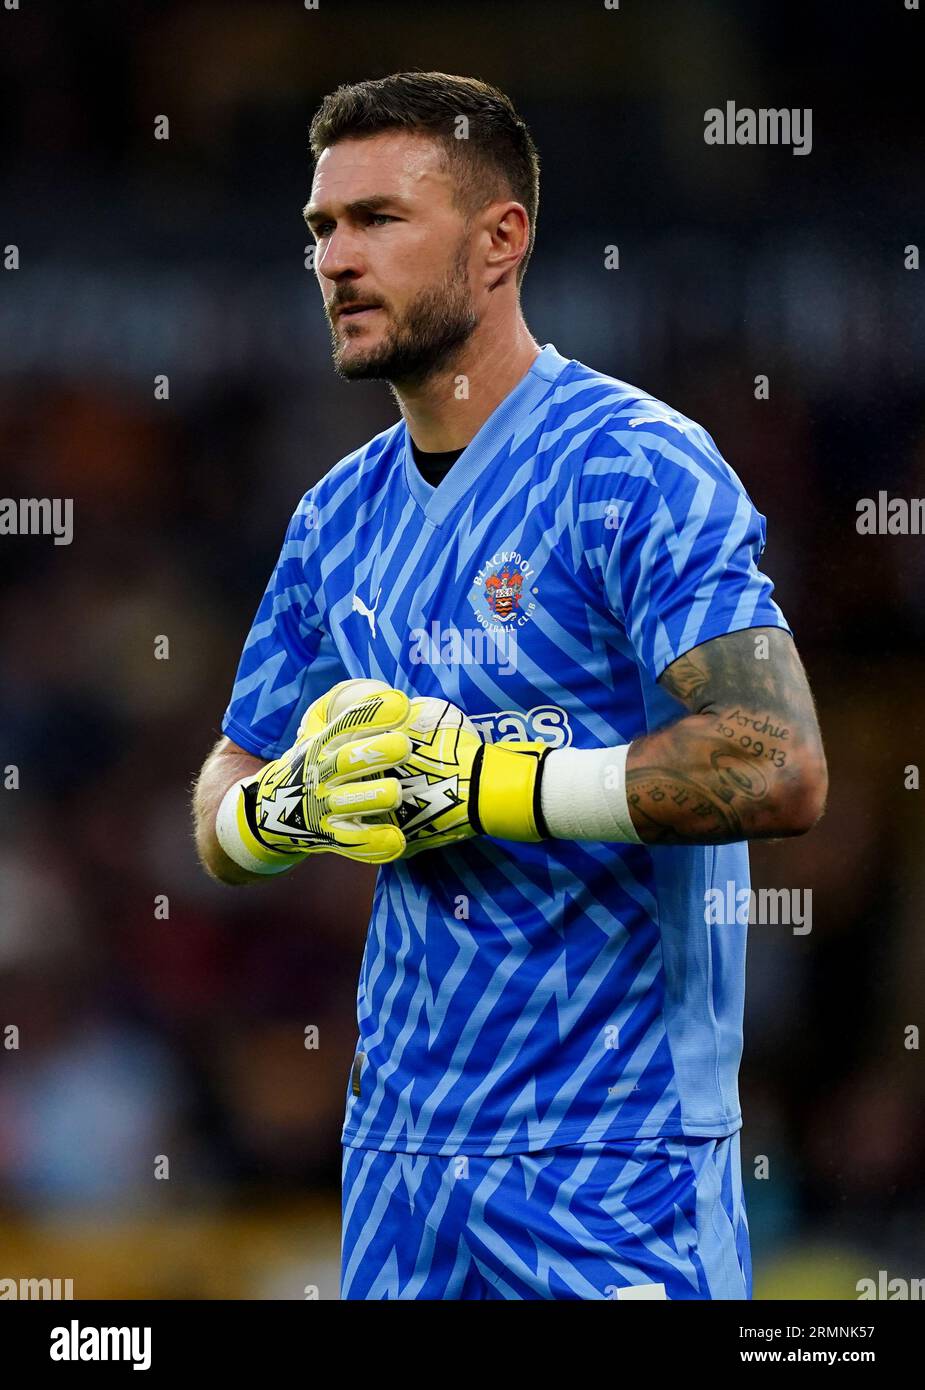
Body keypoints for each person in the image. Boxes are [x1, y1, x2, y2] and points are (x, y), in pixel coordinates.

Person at [192, 71, 827, 1300]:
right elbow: (226, 787)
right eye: (322, 229)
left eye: (378, 219)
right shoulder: (335, 519)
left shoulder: (637, 465)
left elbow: (777, 759)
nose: (335, 258)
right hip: (398, 1164)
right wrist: (288, 812)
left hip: (618, 1162)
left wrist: (479, 783)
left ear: (501, 241)